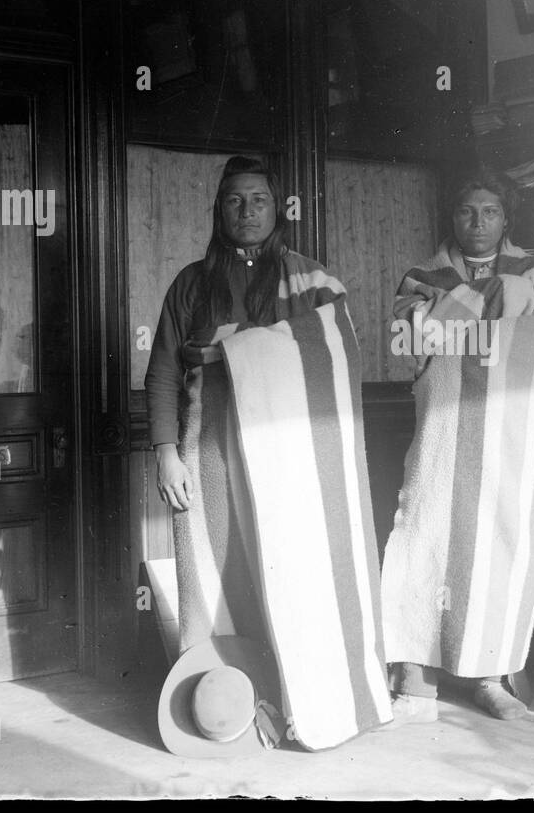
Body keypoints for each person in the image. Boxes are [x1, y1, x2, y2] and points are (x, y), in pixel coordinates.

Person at [145, 155, 390, 752]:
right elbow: (161, 374)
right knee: (218, 569)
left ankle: (306, 698)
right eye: (234, 199)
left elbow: (336, 364)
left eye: (258, 198)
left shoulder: (315, 283)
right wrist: (164, 451)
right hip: (208, 445)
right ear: (219, 209)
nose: (247, 210)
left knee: (296, 565)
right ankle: (228, 702)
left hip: (289, 455)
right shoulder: (190, 283)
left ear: (277, 208)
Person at [380, 168, 534, 724]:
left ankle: (491, 673)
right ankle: (416, 671)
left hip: (511, 428)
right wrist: (502, 302)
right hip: (443, 422)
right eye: (466, 211)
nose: (477, 222)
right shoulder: (421, 273)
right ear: (451, 219)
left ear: (507, 218)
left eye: (489, 211)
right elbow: (410, 340)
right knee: (424, 527)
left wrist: (455, 304)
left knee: (501, 536)